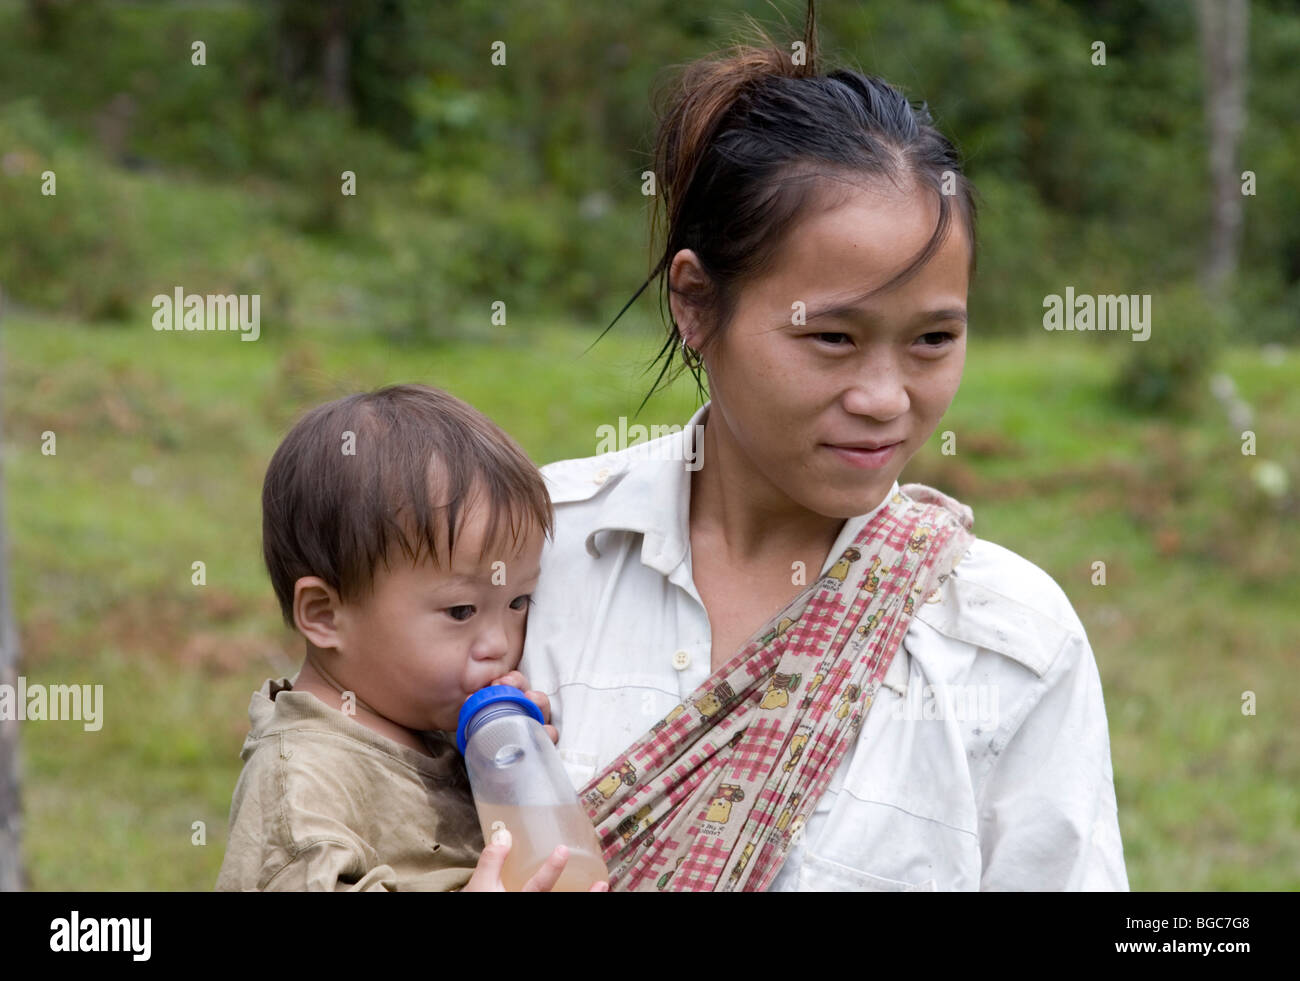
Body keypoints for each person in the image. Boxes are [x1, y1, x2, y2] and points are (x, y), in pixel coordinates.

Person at [519, 6, 1128, 891]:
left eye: (932, 341)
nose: (885, 400)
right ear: (695, 302)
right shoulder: (524, 560)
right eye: (833, 339)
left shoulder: (1008, 643)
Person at [216, 383, 608, 892]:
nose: (499, 643)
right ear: (325, 615)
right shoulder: (303, 782)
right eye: (461, 610)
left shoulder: (425, 721)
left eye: (518, 602)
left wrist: (507, 768)